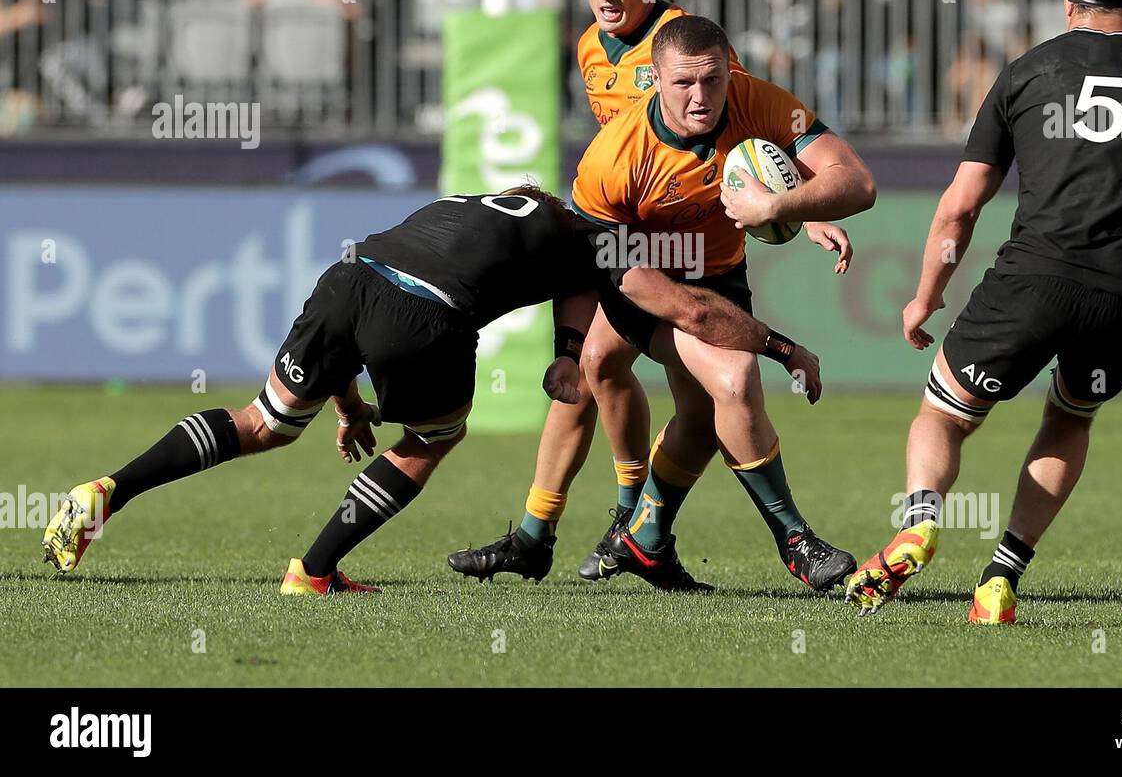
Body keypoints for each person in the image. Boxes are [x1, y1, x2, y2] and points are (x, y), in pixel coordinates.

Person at [41, 186, 818, 594]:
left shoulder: (495, 206)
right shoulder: (602, 238)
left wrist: (348, 402)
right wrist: (779, 344)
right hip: (427, 314)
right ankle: (312, 571)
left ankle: (110, 488)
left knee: (265, 422)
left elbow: (571, 322)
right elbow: (682, 305)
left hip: (349, 277)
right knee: (435, 438)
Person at [844, 0, 1122, 623]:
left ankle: (920, 524)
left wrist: (925, 297)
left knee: (942, 414)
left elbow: (961, 206)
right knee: (1068, 417)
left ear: (1067, 4)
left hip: (1033, 280)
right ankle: (1001, 576)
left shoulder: (1028, 73)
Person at [452, 0, 854, 584]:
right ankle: (555, 531)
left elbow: (752, 131)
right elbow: (624, 159)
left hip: (697, 254)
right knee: (585, 374)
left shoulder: (688, 48)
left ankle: (640, 528)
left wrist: (800, 206)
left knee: (704, 399)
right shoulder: (589, 49)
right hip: (631, 240)